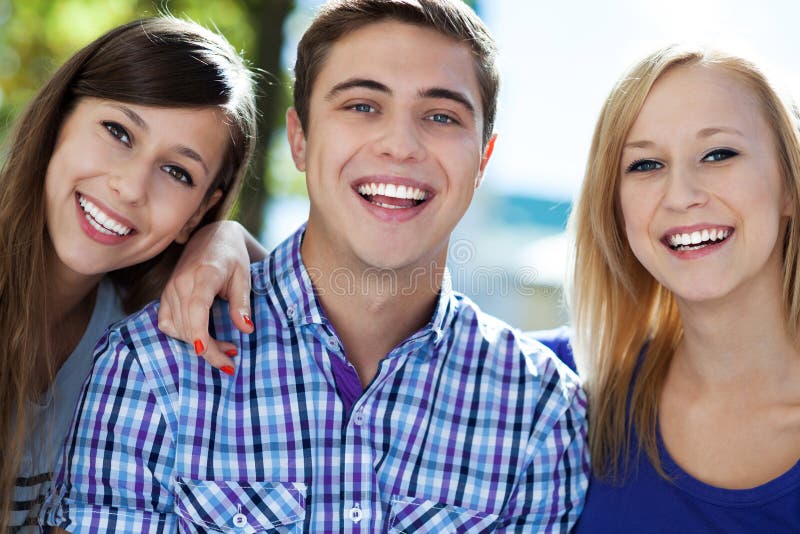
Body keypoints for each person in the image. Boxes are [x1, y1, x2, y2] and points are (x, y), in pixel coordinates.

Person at [42, 1, 589, 531]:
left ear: (482, 161)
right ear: (300, 139)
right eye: (362, 106)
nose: (400, 144)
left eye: (441, 116)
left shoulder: (538, 412)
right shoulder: (154, 366)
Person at [0, 16, 260, 530]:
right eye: (118, 132)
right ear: (60, 121)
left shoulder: (144, 343)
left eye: (176, 172)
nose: (130, 186)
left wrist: (224, 240)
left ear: (198, 211)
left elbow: (309, 315)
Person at [567, 45, 800, 531]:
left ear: (790, 187)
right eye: (646, 165)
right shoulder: (561, 392)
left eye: (719, 154)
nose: (682, 196)